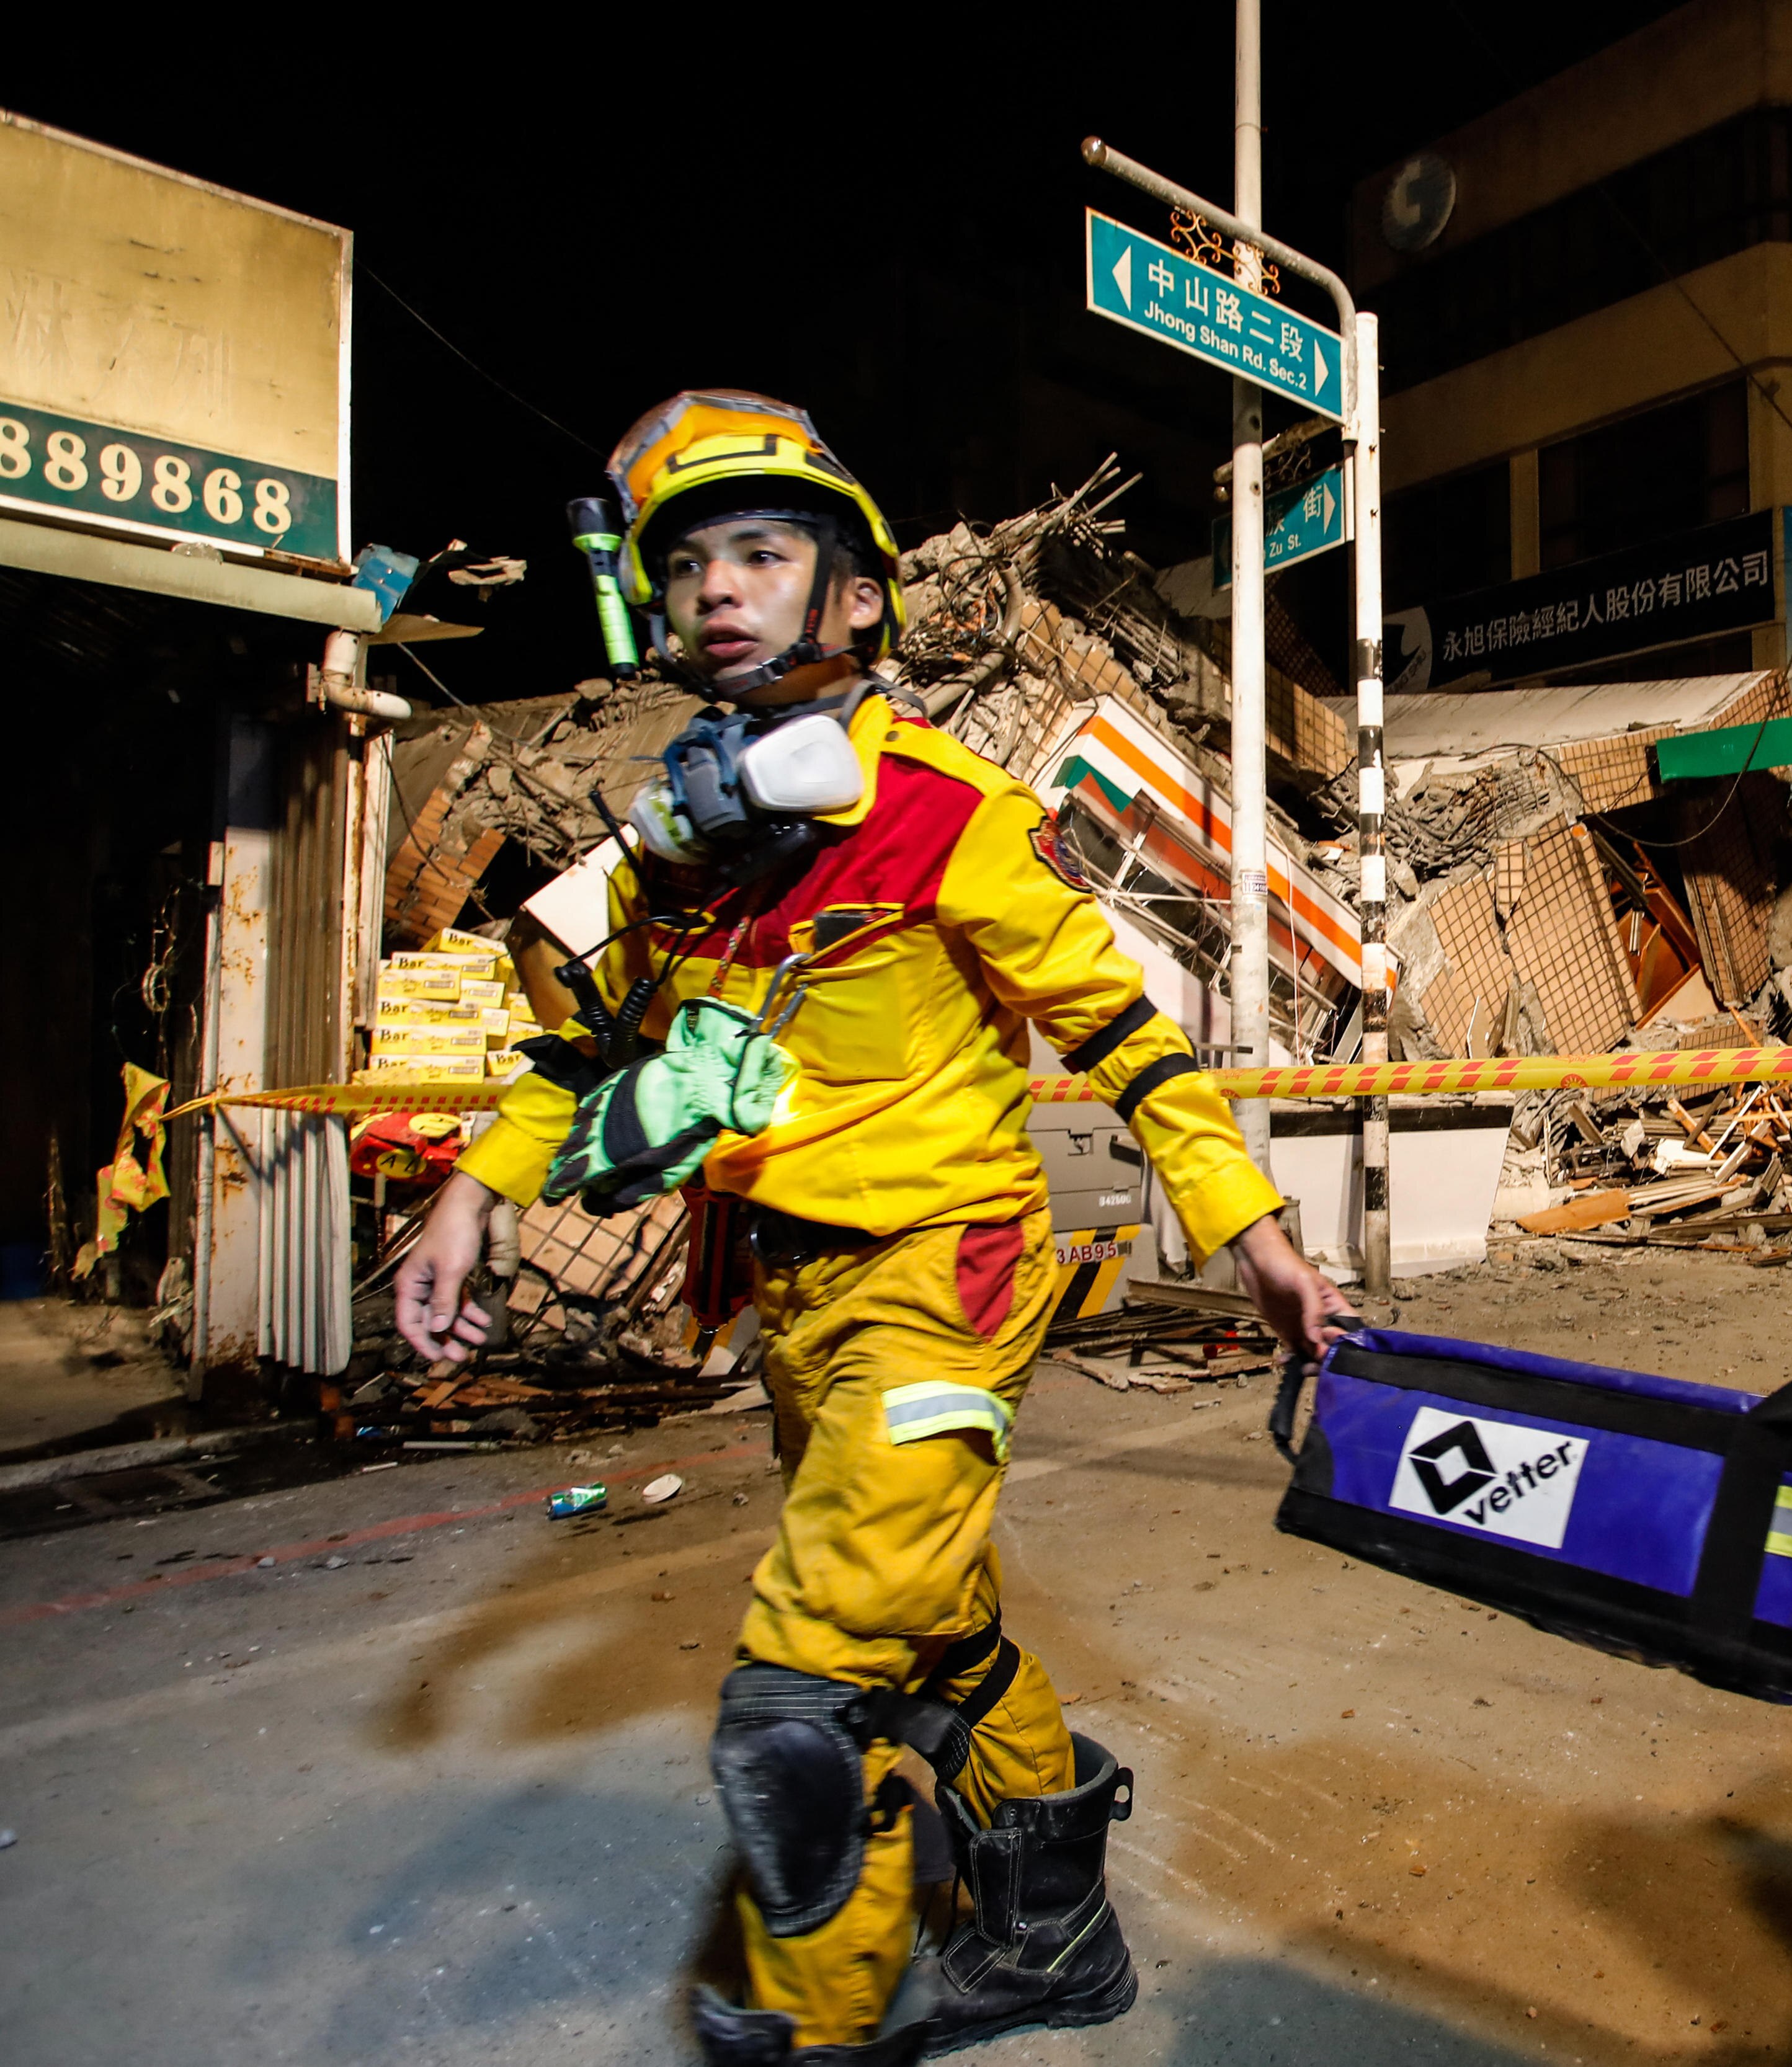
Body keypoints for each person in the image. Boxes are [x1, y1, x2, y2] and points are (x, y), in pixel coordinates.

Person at [394, 391, 1348, 2065]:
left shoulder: (943, 812)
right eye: (689, 561)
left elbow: (1124, 1031)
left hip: (947, 1278)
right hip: (796, 1299)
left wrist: (1250, 1224)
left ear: (854, 599)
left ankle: (814, 2023)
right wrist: (470, 1196)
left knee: (801, 1689)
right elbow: (583, 1058)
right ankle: (1056, 1949)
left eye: (763, 552)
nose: (717, 587)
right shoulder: (669, 855)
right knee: (934, 1636)